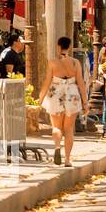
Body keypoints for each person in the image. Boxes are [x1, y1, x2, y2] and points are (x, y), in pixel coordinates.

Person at [37, 37, 88, 166]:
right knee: (69, 129)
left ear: (58, 47)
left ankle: (57, 148)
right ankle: (67, 159)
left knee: (56, 127)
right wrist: (85, 102)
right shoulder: (76, 63)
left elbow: (47, 82)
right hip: (72, 94)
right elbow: (81, 83)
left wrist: (40, 98)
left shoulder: (52, 63)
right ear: (69, 47)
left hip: (56, 94)